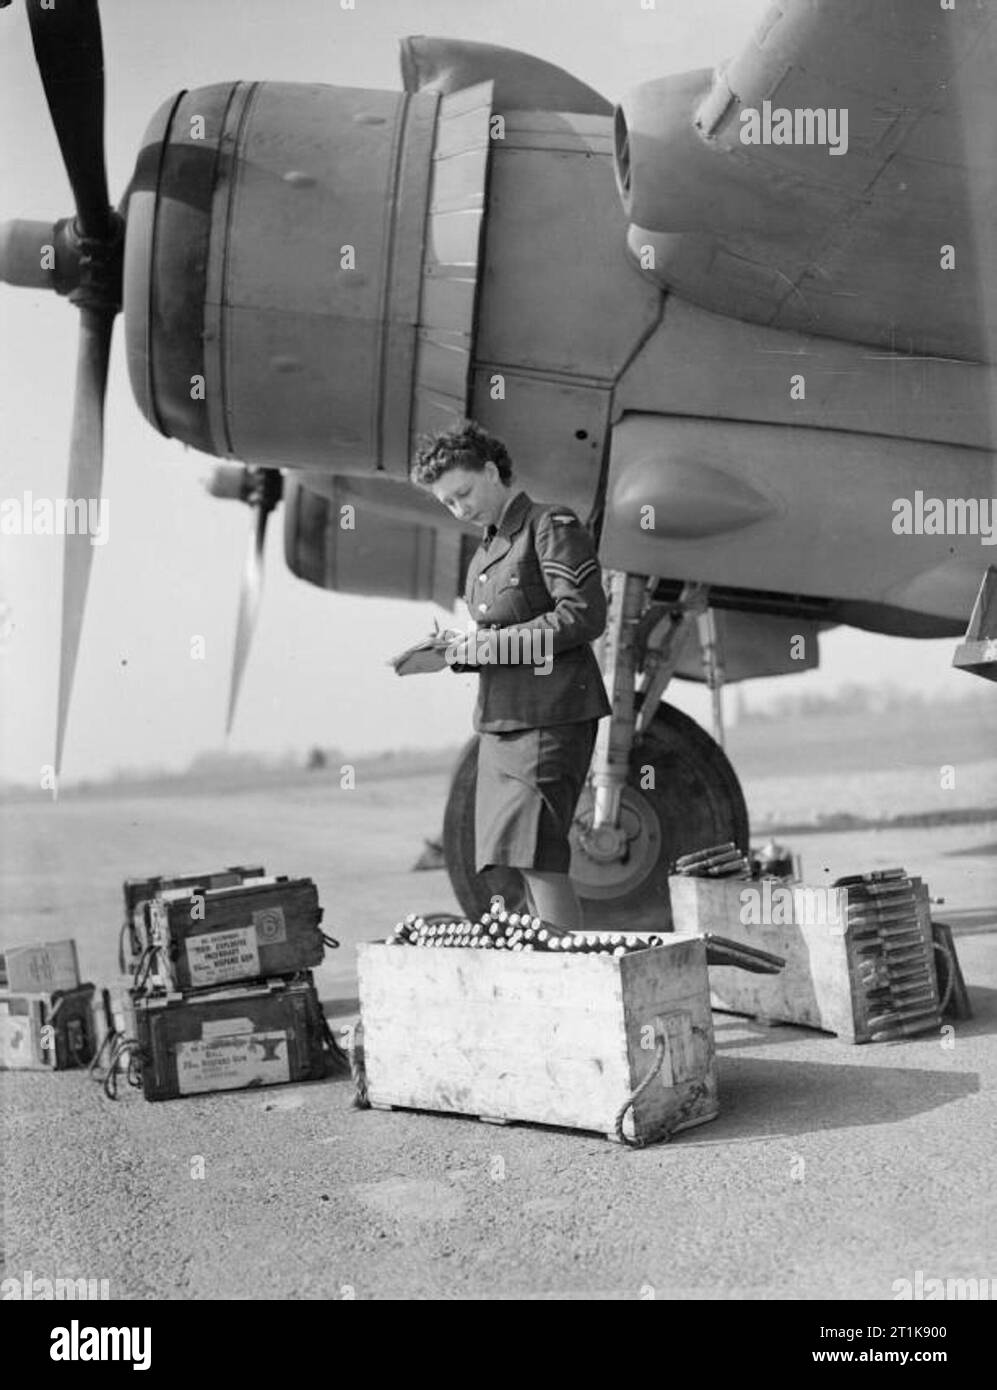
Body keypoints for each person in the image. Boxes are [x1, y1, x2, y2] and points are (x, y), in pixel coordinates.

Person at [409, 420, 611, 931]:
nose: (460, 509)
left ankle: (571, 974)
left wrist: (488, 645)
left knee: (539, 854)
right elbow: (496, 639)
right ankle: (548, 960)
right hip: (503, 722)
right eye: (447, 503)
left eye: (464, 493)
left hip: (552, 714)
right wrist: (455, 652)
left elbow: (582, 615)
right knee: (515, 859)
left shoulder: (551, 525)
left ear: (493, 472)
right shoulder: (483, 556)